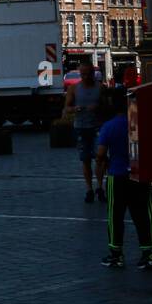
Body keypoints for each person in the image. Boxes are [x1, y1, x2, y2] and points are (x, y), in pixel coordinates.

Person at [96, 87, 152, 269]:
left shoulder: (108, 126)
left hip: (117, 175)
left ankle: (116, 254)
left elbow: (100, 154)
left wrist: (103, 165)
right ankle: (148, 254)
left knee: (115, 216)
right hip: (140, 174)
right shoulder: (140, 122)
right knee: (143, 215)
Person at [65, 58, 104, 203]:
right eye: (83, 74)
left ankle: (100, 186)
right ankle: (89, 189)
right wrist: (75, 108)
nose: (85, 77)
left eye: (88, 74)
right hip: (81, 127)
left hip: (97, 127)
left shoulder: (100, 88)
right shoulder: (73, 89)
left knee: (100, 158)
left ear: (93, 73)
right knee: (85, 159)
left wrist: (98, 107)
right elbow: (67, 108)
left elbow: (107, 106)